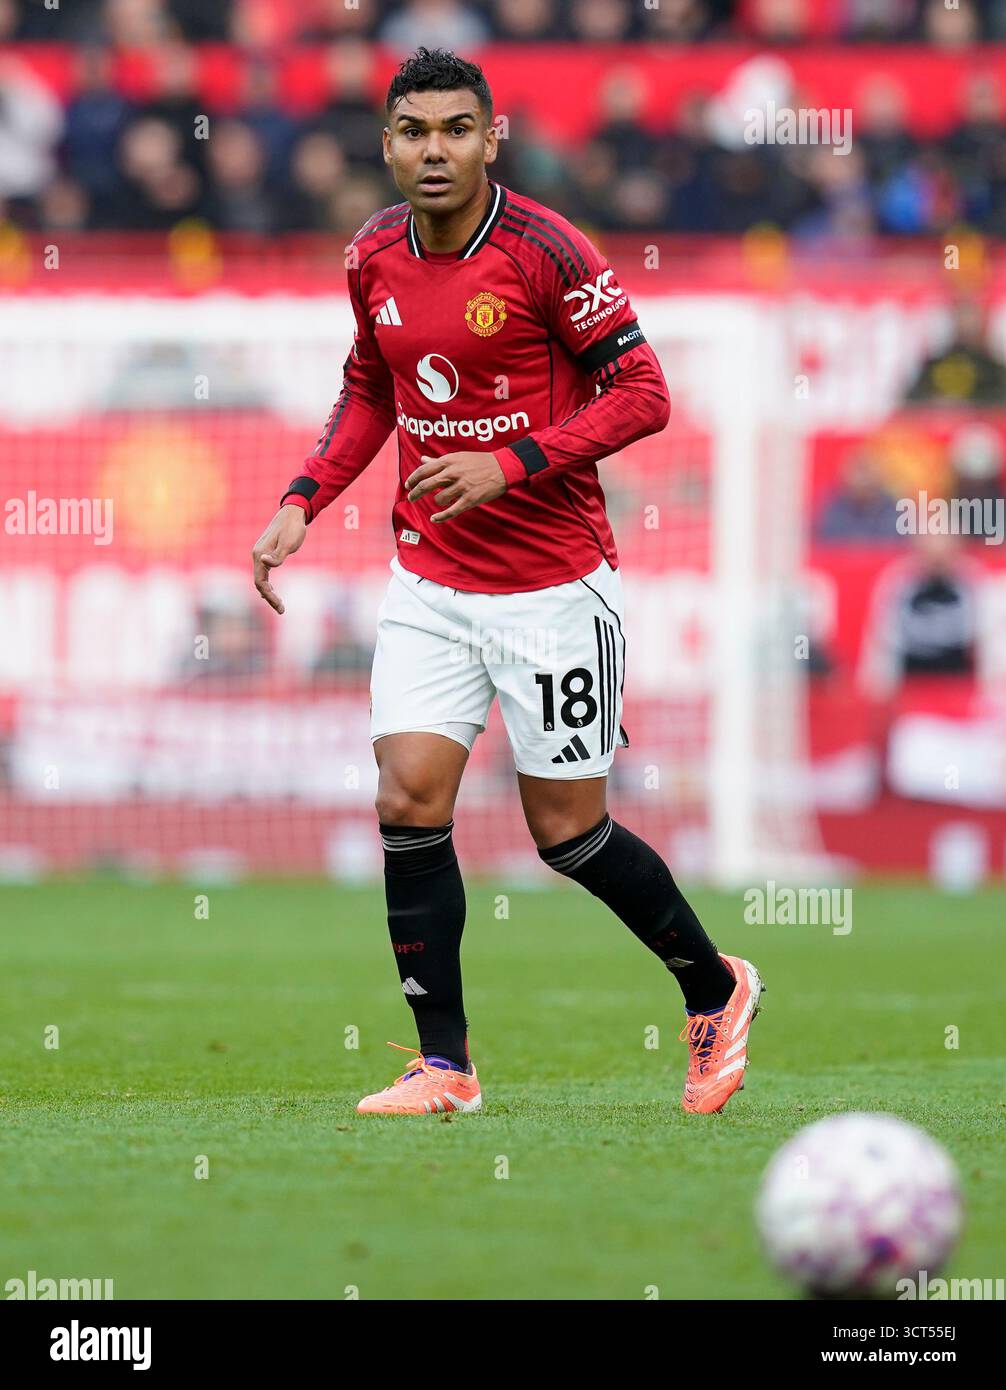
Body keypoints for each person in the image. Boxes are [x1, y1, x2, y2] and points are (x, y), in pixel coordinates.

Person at [251, 48, 764, 1117]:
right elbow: (369, 385)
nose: (432, 150)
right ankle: (445, 1063)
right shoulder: (372, 253)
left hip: (552, 586)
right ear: (386, 143)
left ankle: (716, 987)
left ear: (491, 139)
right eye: (411, 131)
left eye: (453, 130)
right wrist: (304, 496)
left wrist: (511, 459)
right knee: (407, 799)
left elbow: (644, 393)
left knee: (567, 832)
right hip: (429, 579)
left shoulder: (544, 249)